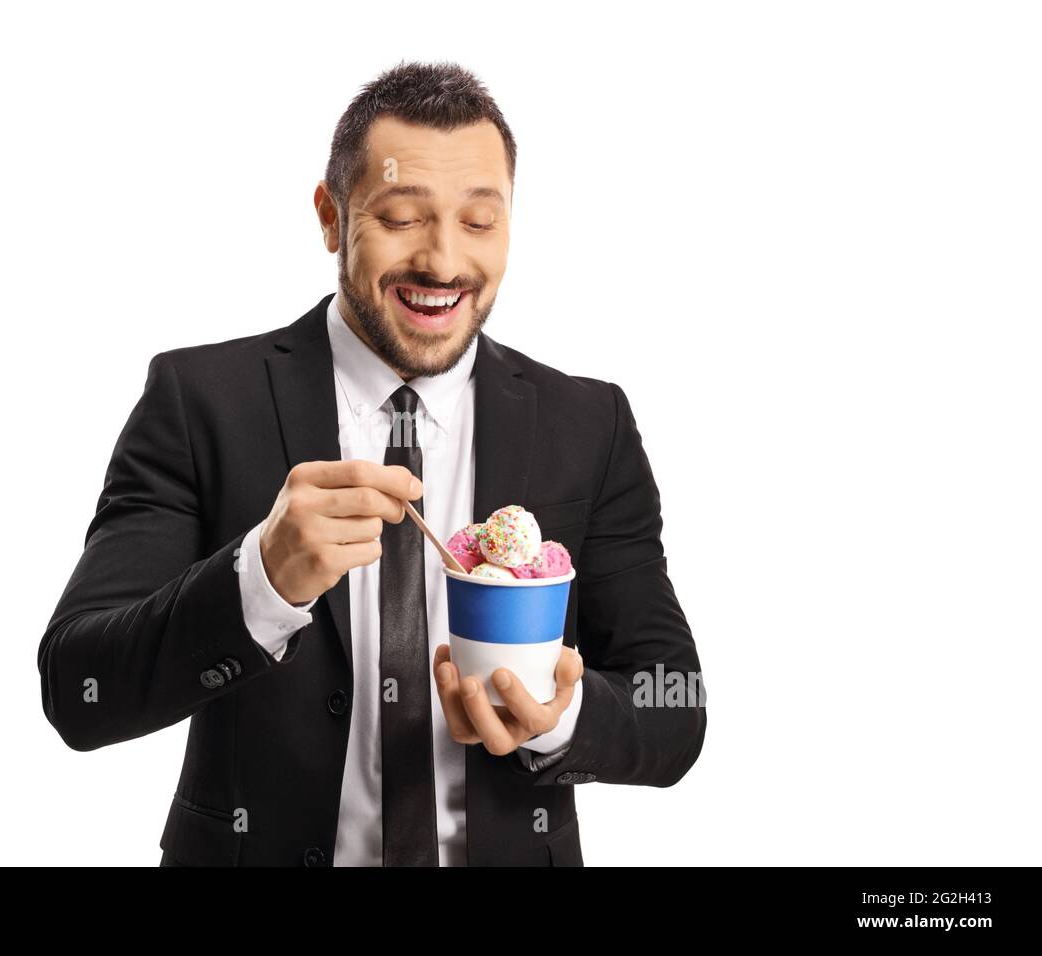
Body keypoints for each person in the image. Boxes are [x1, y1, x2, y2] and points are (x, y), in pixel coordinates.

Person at [37, 61, 705, 867]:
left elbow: (676, 709)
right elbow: (79, 689)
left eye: (480, 222)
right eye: (400, 216)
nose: (443, 262)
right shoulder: (200, 401)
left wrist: (556, 716)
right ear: (330, 216)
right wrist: (259, 581)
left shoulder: (588, 423)